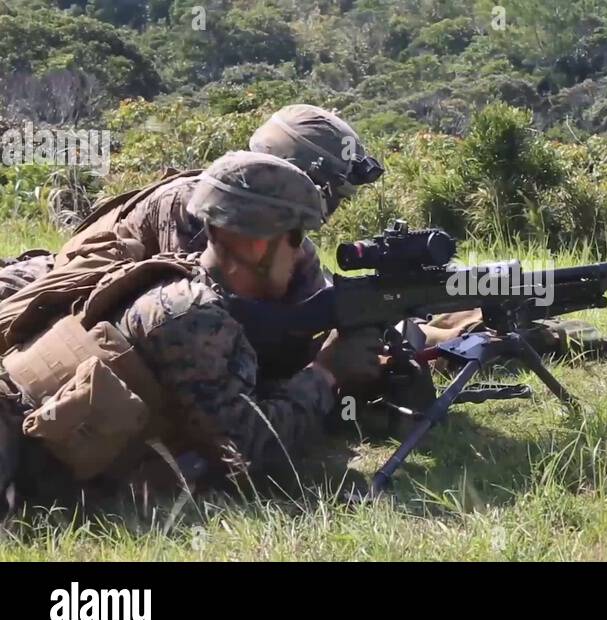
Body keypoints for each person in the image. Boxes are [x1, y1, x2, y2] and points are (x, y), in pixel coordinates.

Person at [0, 152, 383, 518]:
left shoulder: (183, 284)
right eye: (296, 237)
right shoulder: (192, 315)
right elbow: (245, 453)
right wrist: (326, 372)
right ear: (257, 244)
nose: (301, 255)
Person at [0, 104, 384, 304]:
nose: (331, 212)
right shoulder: (198, 206)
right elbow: (212, 313)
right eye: (333, 197)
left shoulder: (268, 227)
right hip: (39, 290)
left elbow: (317, 296)